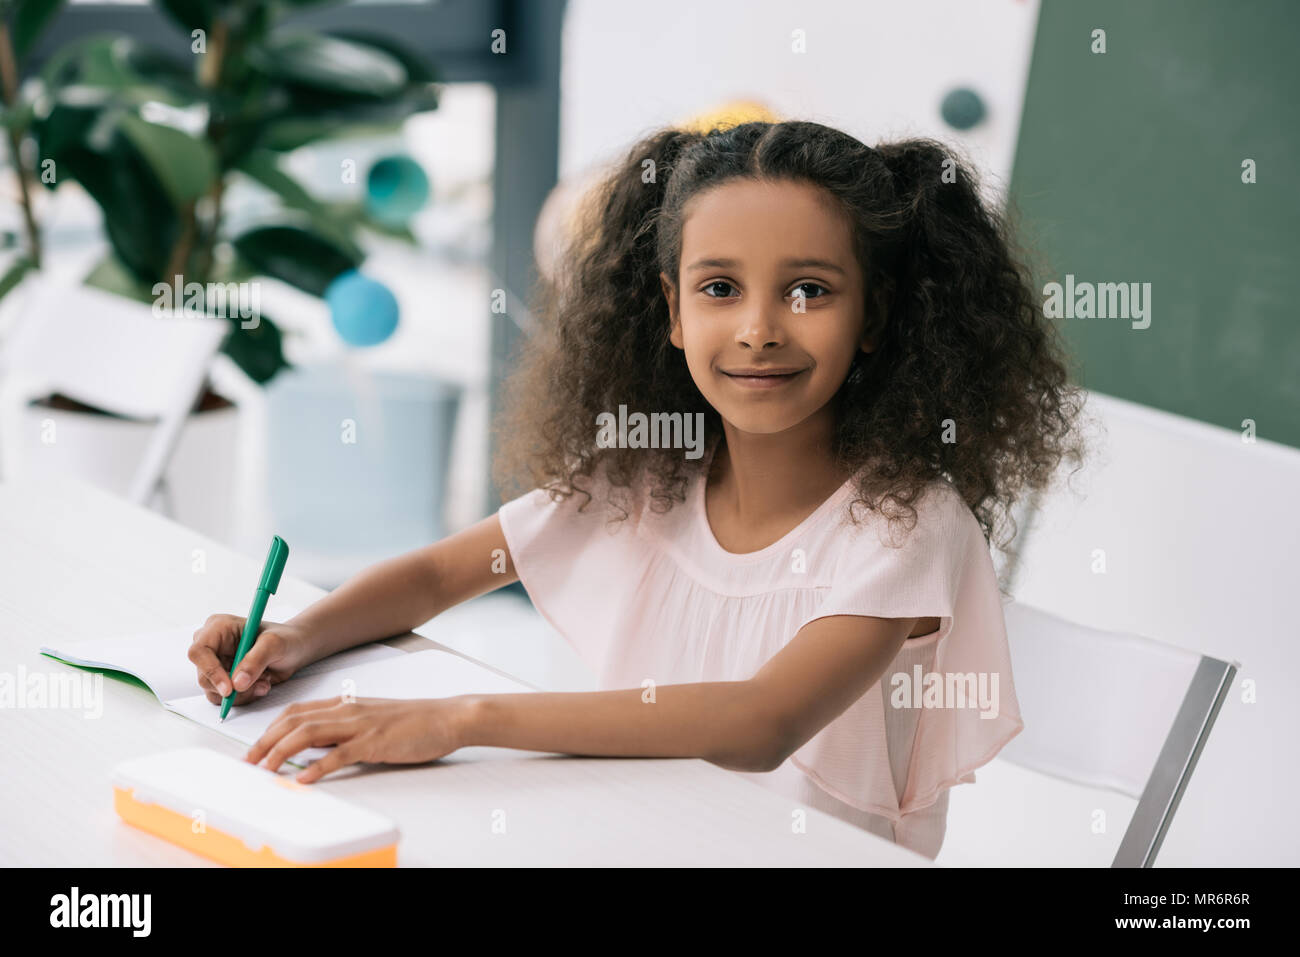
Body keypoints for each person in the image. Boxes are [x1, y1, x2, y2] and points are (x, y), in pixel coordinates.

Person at [190, 121, 1085, 860]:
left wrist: (459, 717)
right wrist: (297, 635)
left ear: (877, 314)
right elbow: (435, 579)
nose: (760, 329)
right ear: (672, 309)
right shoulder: (648, 474)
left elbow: (760, 719)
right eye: (720, 289)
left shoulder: (908, 524)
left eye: (809, 290)